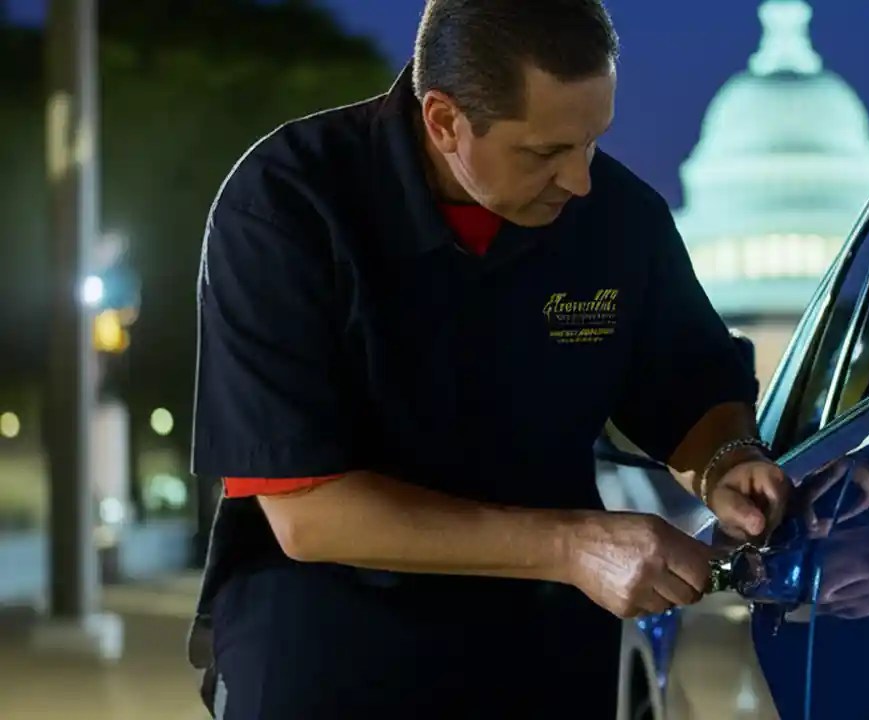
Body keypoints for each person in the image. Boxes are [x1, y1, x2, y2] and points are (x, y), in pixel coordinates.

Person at [187, 1, 790, 717]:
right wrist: (572, 545)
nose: (580, 181)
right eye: (544, 153)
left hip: (543, 647)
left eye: (592, 142)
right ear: (444, 120)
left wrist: (728, 462)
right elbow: (308, 514)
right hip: (330, 649)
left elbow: (692, 395)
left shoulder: (620, 220)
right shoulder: (287, 204)